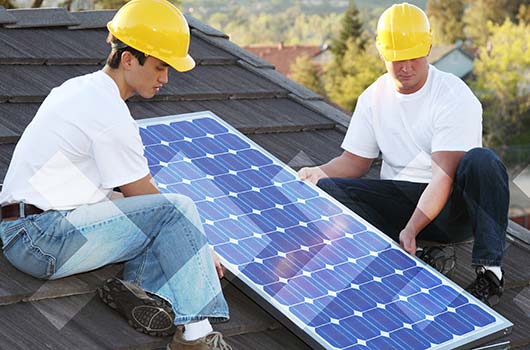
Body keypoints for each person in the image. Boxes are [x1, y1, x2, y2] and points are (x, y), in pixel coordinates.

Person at [0, 0, 231, 349]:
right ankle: (196, 337)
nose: (165, 78)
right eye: (158, 67)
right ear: (127, 59)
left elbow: (122, 197)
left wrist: (188, 242)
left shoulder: (79, 90)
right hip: (40, 237)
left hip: (33, 231)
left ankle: (144, 294)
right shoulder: (107, 111)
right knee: (174, 210)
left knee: (162, 220)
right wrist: (199, 247)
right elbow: (149, 198)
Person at [299, 3, 509, 307]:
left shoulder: (452, 94)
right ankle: (418, 258)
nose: (406, 66)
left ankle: (490, 273)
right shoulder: (373, 97)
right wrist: (318, 173)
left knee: (483, 161)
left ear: (428, 48)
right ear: (383, 53)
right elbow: (354, 163)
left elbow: (443, 177)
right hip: (403, 200)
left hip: (453, 209)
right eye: (397, 58)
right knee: (329, 190)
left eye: (413, 56)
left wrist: (410, 230)